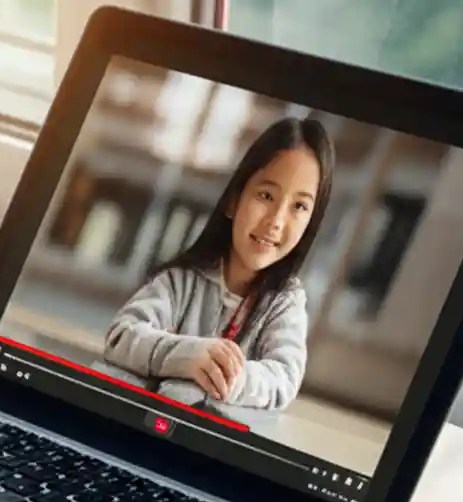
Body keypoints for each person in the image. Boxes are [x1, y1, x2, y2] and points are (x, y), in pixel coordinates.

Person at [101, 117, 335, 411]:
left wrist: (230, 373)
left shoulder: (285, 302)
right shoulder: (182, 281)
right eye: (266, 196)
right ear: (233, 201)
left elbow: (284, 377)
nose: (276, 221)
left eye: (299, 206)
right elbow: (122, 336)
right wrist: (190, 356)